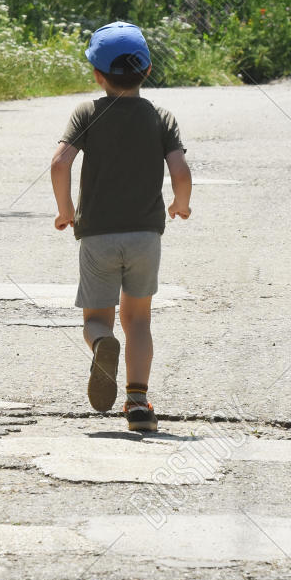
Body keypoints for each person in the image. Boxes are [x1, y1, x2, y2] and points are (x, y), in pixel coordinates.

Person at [50, 21, 192, 432]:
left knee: (98, 318)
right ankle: (138, 404)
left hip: (97, 234)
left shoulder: (87, 113)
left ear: (97, 75)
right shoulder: (160, 117)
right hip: (146, 235)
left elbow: (60, 163)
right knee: (140, 320)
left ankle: (101, 343)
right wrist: (180, 205)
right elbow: (180, 171)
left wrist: (66, 210)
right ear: (147, 70)